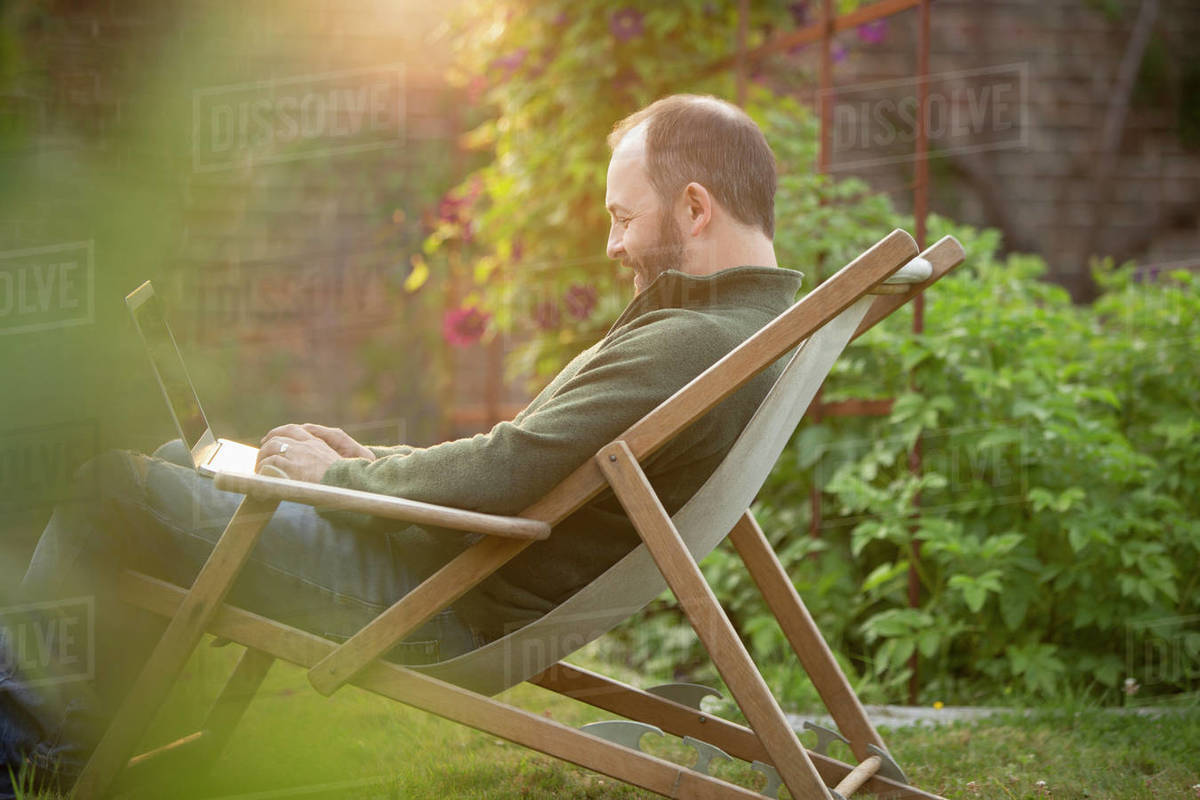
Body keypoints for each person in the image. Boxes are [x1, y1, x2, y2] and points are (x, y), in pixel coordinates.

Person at [0, 93, 803, 798]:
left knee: (113, 491)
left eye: (624, 218)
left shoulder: (685, 340)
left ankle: (27, 753)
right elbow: (526, 459)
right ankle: (75, 741)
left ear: (695, 210)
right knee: (179, 471)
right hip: (453, 566)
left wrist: (346, 474)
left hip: (435, 602)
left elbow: (506, 469)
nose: (613, 246)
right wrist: (364, 465)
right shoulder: (741, 331)